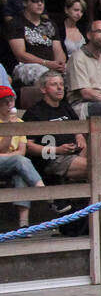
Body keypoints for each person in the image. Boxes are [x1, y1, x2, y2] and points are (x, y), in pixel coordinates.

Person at [23, 72, 88, 206]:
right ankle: (81, 204)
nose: (60, 88)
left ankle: (76, 203)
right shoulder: (34, 113)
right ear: (43, 89)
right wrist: (57, 150)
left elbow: (78, 128)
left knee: (100, 143)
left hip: (75, 153)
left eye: (61, 84)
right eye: (54, 84)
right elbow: (28, 146)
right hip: (52, 159)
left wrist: (79, 136)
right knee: (96, 168)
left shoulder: (66, 107)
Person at [0, 85, 43, 229]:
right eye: (4, 101)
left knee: (21, 172)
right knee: (20, 161)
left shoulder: (20, 123)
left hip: (13, 162)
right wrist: (9, 130)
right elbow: (2, 150)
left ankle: (23, 224)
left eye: (10, 101)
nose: (8, 105)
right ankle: (43, 191)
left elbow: (22, 151)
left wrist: (9, 156)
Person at [4, 0, 63, 86]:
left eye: (42, 1)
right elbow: (20, 55)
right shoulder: (16, 23)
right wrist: (46, 63)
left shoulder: (50, 24)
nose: (39, 4)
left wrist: (59, 64)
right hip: (25, 66)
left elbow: (58, 49)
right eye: (35, 1)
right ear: (25, 3)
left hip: (51, 65)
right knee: (45, 75)